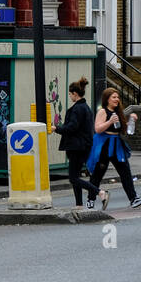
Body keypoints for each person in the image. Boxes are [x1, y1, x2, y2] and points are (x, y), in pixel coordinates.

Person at [87, 86, 141, 209]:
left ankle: (133, 198)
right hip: (104, 145)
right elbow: (97, 129)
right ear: (107, 99)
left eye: (117, 97)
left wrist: (132, 121)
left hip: (116, 145)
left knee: (125, 172)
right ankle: (90, 200)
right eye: (114, 97)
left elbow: (126, 131)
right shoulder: (103, 111)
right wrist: (110, 121)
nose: (117, 99)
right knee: (97, 174)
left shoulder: (118, 112)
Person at [54, 77, 104, 209]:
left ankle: (100, 192)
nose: (70, 96)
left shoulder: (77, 109)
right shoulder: (86, 108)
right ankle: (79, 204)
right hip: (84, 146)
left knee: (73, 178)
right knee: (75, 176)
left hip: (76, 147)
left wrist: (56, 128)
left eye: (70, 94)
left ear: (75, 94)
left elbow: (72, 128)